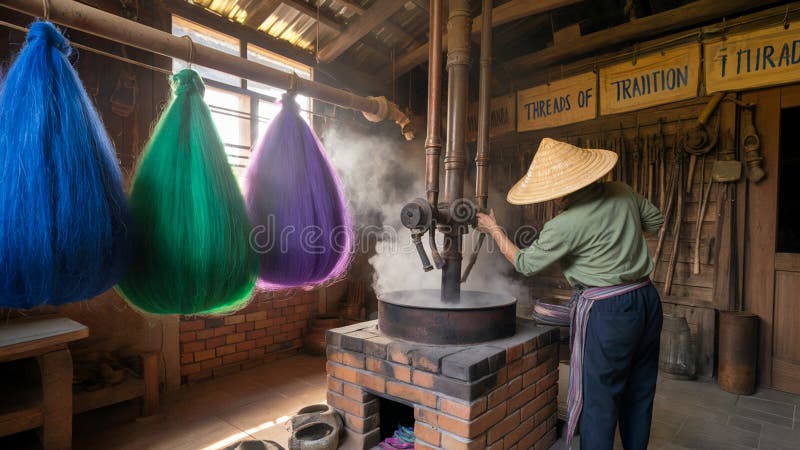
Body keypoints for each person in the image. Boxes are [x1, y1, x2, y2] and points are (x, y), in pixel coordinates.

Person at [477, 138, 664, 450]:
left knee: (598, 400)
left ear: (564, 190)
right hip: (646, 299)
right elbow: (654, 222)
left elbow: (524, 263)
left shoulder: (564, 225)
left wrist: (494, 230)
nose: (552, 199)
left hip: (608, 312)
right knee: (640, 392)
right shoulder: (622, 190)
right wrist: (620, 240)